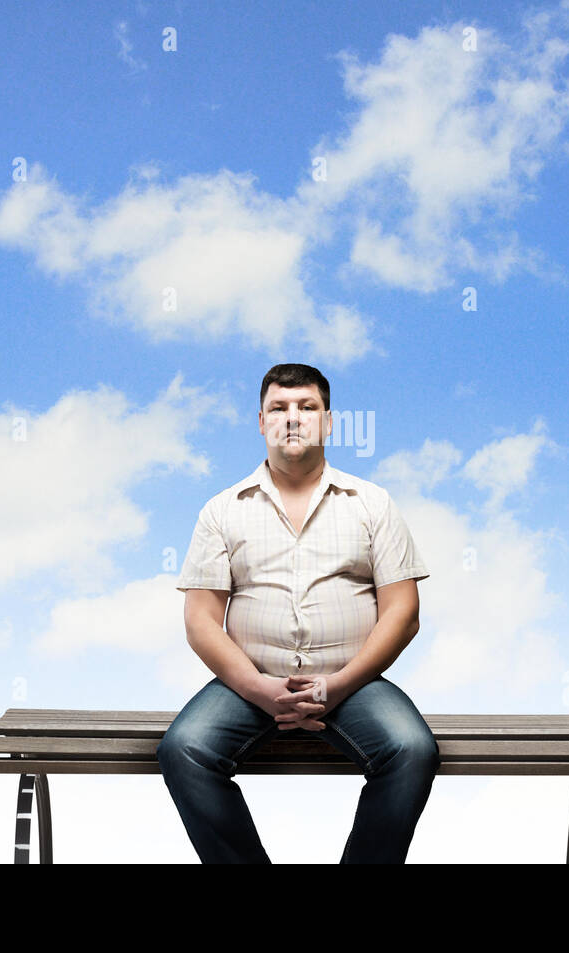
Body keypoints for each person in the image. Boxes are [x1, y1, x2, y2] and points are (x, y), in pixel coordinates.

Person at [157, 362, 440, 863]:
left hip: (354, 682)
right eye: (279, 409)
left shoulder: (372, 504)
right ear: (261, 422)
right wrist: (257, 688)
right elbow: (201, 620)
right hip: (250, 682)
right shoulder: (222, 510)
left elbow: (403, 611)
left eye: (307, 408)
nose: (293, 419)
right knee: (184, 749)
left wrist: (340, 684)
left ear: (328, 421)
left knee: (412, 750)